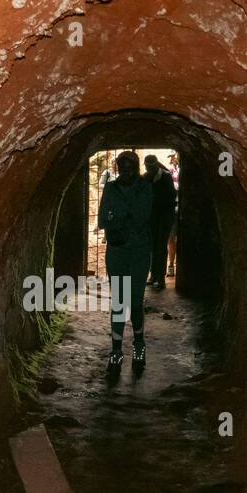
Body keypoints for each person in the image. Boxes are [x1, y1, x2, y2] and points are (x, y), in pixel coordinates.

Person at [97, 150, 153, 375]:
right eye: (123, 168)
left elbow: (143, 216)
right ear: (117, 168)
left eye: (131, 167)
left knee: (136, 302)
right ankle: (116, 351)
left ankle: (139, 346)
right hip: (118, 251)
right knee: (119, 302)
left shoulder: (145, 187)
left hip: (138, 252)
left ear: (137, 167)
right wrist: (121, 220)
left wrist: (118, 219)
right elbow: (103, 219)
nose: (127, 172)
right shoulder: (111, 187)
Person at [145, 154, 176, 290]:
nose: (149, 168)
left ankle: (160, 277)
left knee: (161, 246)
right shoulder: (147, 177)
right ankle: (153, 275)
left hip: (164, 218)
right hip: (152, 218)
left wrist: (155, 200)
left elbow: (171, 197)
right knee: (152, 247)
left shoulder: (166, 177)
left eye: (150, 166)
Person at [166, 154, 180, 277]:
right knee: (171, 238)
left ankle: (125, 295)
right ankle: (171, 265)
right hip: (174, 210)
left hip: (180, 209)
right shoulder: (170, 170)